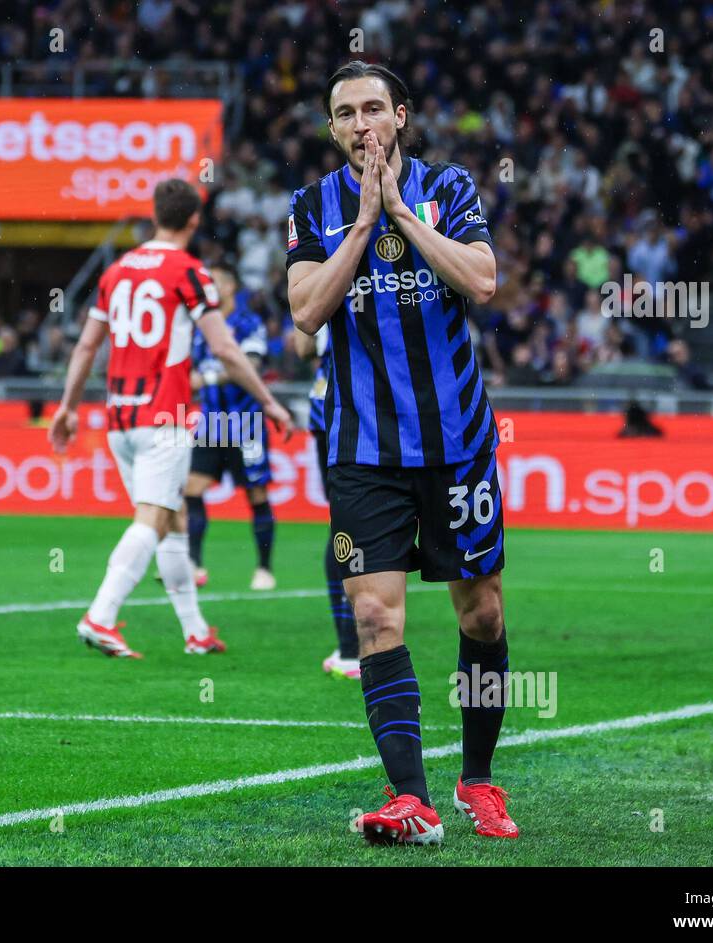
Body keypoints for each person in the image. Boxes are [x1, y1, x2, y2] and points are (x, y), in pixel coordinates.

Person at [287, 61, 516, 846]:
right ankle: (409, 796)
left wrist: (400, 216)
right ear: (331, 128)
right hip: (364, 447)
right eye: (346, 113)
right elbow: (307, 311)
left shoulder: (447, 189)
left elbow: (483, 281)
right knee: (376, 614)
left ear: (402, 116)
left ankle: (478, 781)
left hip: (455, 444)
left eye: (374, 109)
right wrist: (360, 224)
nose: (362, 125)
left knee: (480, 611)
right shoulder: (310, 206)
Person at [49, 179, 293, 659]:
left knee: (174, 517)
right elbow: (223, 347)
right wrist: (267, 399)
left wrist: (67, 406)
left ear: (155, 215)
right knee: (154, 518)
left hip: (119, 415)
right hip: (165, 415)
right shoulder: (189, 271)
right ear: (195, 220)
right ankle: (100, 615)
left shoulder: (116, 270)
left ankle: (195, 630)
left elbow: (85, 346)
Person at [183, 264, 278, 591]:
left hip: (246, 421)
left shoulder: (248, 324)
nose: (209, 287)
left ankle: (264, 569)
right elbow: (190, 369)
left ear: (230, 286)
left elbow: (248, 367)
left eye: (215, 282)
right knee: (191, 488)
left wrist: (206, 378)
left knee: (256, 492)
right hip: (211, 422)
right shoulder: (201, 326)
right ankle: (193, 564)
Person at [294, 323, 360, 679]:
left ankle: (352, 645)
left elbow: (303, 345)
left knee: (344, 519)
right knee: (349, 520)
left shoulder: (321, 268)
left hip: (328, 401)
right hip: (356, 402)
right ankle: (352, 646)